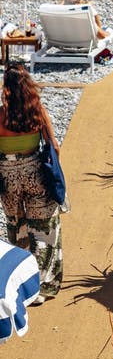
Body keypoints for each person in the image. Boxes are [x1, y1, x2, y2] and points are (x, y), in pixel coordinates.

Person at [0, 64, 63, 304]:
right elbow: (54, 146)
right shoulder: (36, 111)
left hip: (8, 178)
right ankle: (43, 286)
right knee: (44, 227)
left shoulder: (1, 115)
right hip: (35, 173)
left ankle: (23, 284)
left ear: (6, 88)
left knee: (17, 228)